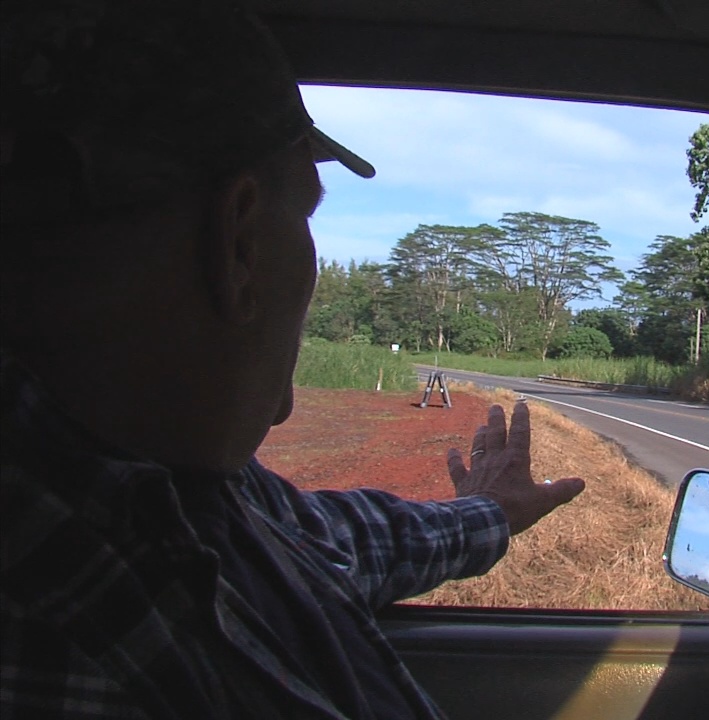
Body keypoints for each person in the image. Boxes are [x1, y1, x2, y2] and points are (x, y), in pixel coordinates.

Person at [0, 1, 585, 717]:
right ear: (240, 243)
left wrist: (488, 513)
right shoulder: (60, 627)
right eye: (306, 215)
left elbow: (339, 539)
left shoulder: (172, 482)